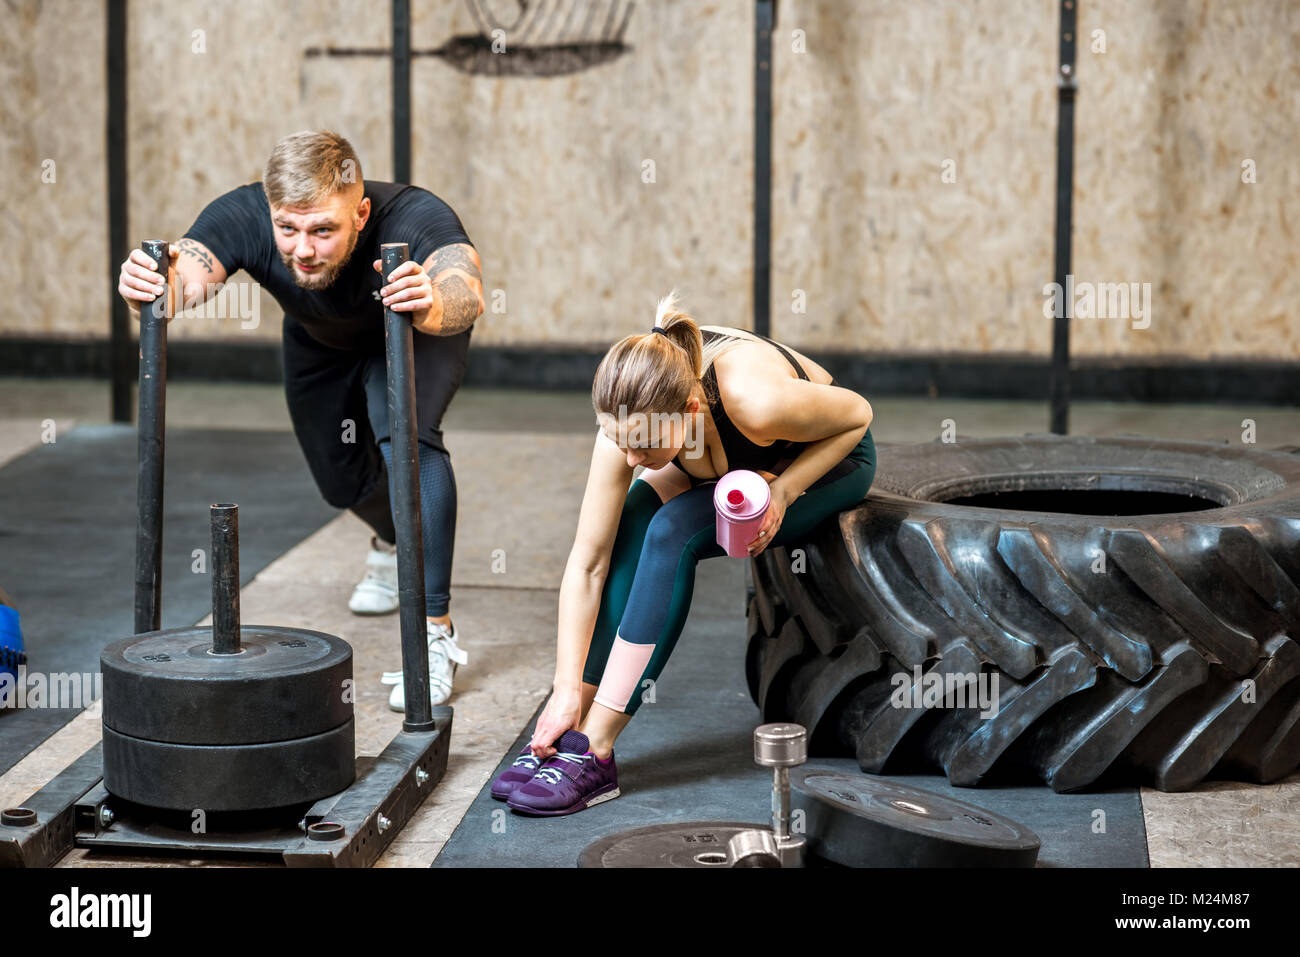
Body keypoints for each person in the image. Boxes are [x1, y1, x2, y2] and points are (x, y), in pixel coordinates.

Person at [116, 130, 483, 710]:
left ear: (360, 214)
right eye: (288, 230)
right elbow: (183, 277)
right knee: (338, 479)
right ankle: (393, 541)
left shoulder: (413, 214)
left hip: (412, 329)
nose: (303, 250)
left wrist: (432, 300)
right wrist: (148, 288)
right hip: (318, 341)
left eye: (323, 231)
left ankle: (435, 632)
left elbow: (465, 288)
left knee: (406, 442)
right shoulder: (246, 213)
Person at [493, 291, 877, 815]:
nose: (630, 458)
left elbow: (859, 415)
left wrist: (785, 490)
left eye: (641, 447)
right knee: (632, 518)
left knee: (672, 531)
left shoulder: (753, 403)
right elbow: (587, 565)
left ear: (691, 411)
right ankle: (570, 726)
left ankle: (597, 750)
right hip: (713, 456)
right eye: (618, 440)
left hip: (824, 460)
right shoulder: (631, 422)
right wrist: (563, 689)